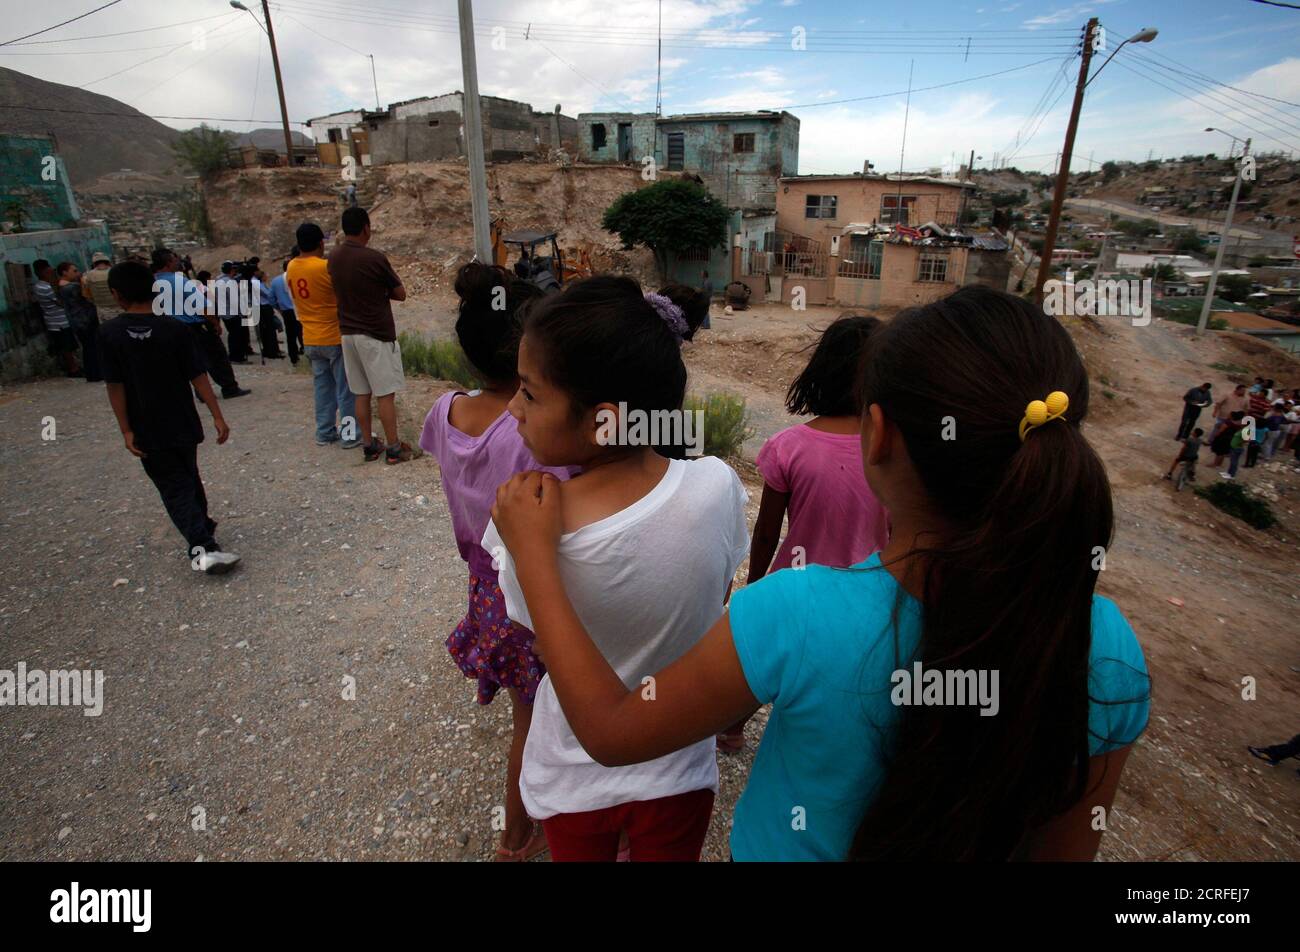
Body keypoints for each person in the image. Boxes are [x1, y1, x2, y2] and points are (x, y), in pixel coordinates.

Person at [492, 284, 1150, 862]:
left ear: (879, 433)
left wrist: (536, 556)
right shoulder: (1108, 646)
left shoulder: (794, 613)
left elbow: (611, 731)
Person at [481, 276, 750, 862]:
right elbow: (715, 599)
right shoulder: (717, 485)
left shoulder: (529, 530)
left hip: (576, 777)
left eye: (529, 394)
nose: (512, 409)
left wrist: (532, 555)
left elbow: (545, 647)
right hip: (679, 769)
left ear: (604, 420)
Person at [418, 263, 576, 861]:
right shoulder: (525, 431)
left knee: (528, 710)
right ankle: (516, 837)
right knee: (534, 721)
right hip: (526, 589)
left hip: (481, 584)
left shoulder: (445, 411)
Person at [717, 313, 893, 754]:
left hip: (795, 586)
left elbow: (766, 531)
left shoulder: (788, 445)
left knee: (764, 665)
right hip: (870, 592)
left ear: (821, 370)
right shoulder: (891, 449)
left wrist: (756, 583)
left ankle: (733, 728)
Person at [97, 261, 240, 575]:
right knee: (186, 477)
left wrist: (125, 430)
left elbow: (115, 386)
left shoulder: (109, 335)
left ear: (116, 294)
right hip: (183, 420)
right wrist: (217, 415)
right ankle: (203, 540)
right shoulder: (174, 329)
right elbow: (198, 376)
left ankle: (202, 538)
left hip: (146, 425)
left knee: (176, 484)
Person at [328, 207, 410, 463]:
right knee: (385, 393)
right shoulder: (373, 258)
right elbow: (400, 293)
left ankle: (368, 444)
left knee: (360, 393)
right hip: (375, 334)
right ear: (366, 227)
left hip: (347, 334)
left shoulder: (334, 257)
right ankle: (394, 447)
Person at [287, 222, 358, 447]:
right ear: (321, 242)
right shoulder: (324, 267)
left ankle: (325, 431)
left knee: (322, 389)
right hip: (333, 335)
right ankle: (349, 435)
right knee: (346, 390)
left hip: (310, 337)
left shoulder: (291, 267)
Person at [152, 249, 248, 400]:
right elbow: (201, 305)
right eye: (174, 259)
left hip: (173, 327)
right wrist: (214, 322)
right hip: (195, 325)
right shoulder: (179, 280)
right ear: (168, 263)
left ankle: (202, 393)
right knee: (216, 357)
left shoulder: (154, 282)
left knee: (193, 361)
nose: (178, 262)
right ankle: (229, 387)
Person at [56, 261, 102, 382]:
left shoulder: (64, 287)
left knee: (88, 347)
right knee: (91, 347)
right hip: (84, 320)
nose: (77, 273)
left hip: (78, 321)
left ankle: (93, 373)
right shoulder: (71, 288)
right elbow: (87, 296)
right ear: (64, 273)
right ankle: (95, 373)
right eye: (74, 271)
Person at [33, 259, 80, 377]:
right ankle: (73, 370)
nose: (52, 273)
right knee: (67, 348)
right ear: (43, 272)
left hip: (55, 321)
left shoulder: (41, 286)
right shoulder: (45, 288)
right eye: (49, 271)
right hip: (58, 322)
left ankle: (74, 368)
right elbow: (60, 302)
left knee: (68, 347)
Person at [270, 250, 303, 365]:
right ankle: (305, 352)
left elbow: (272, 299)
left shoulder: (275, 281)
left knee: (290, 335)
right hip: (298, 308)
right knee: (302, 333)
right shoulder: (298, 278)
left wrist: (279, 309)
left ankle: (293, 357)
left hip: (286, 311)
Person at [215, 262, 251, 362]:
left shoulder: (219, 280)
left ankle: (235, 355)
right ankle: (237, 357)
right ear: (232, 270)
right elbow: (234, 300)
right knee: (236, 336)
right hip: (232, 313)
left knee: (233, 335)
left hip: (225, 312)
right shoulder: (229, 282)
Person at [255, 267, 284, 359]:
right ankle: (272, 351)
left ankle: (273, 349)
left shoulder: (262, 284)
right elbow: (268, 295)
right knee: (269, 329)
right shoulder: (259, 285)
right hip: (264, 307)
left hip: (266, 306)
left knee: (269, 329)